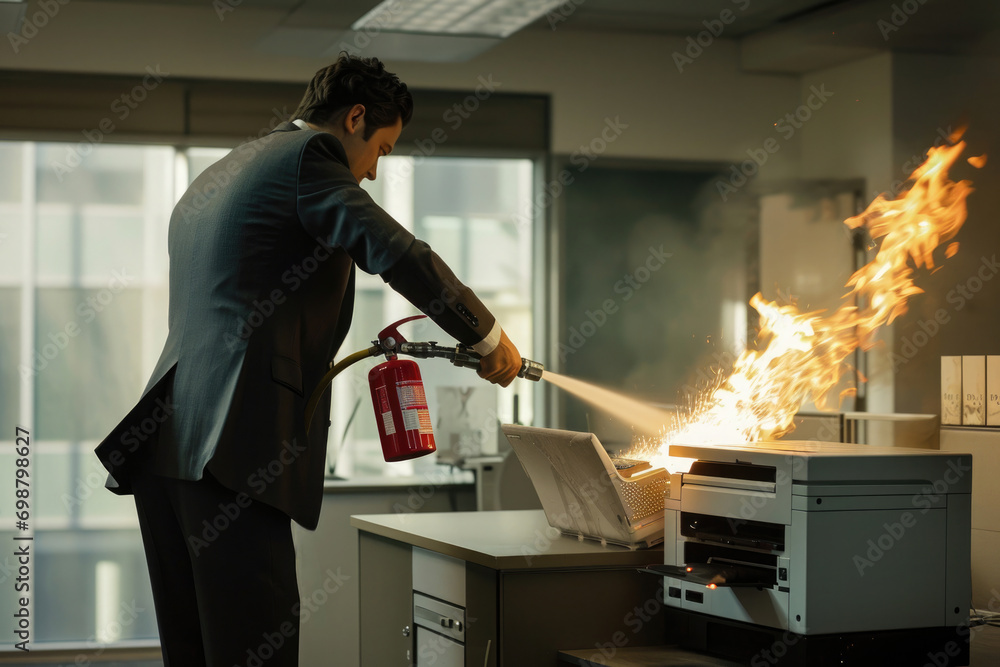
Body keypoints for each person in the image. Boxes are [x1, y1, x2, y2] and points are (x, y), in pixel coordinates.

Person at [95, 53, 523, 667]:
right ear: (354, 117)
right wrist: (486, 337)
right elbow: (395, 251)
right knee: (256, 647)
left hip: (168, 444)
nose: (372, 171)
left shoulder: (225, 169)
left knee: (196, 653)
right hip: (231, 444)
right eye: (381, 149)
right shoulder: (308, 158)